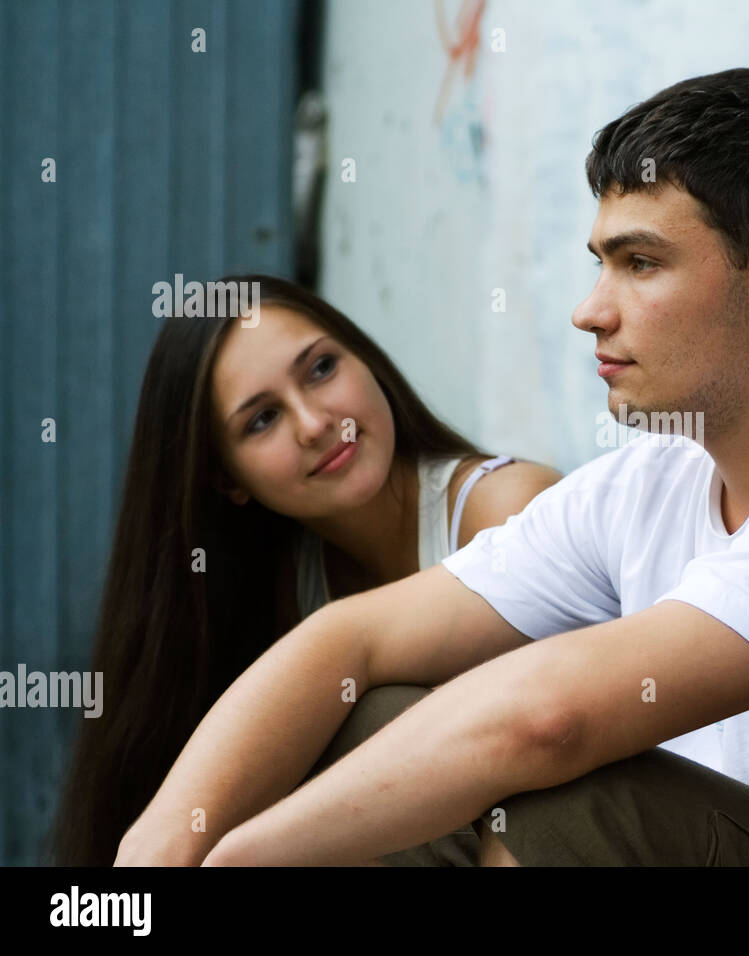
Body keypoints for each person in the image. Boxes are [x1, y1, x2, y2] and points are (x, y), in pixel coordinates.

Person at [114, 68, 749, 868]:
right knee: (376, 714)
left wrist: (243, 864)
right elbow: (345, 640)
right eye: (599, 264)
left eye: (640, 263)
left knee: (556, 790)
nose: (590, 312)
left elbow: (547, 719)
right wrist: (157, 859)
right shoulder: (650, 476)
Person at [49, 275, 560, 865]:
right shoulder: (273, 584)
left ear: (364, 358)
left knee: (381, 717)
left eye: (320, 369)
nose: (315, 423)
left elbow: (554, 788)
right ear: (227, 480)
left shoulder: (504, 510)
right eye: (262, 419)